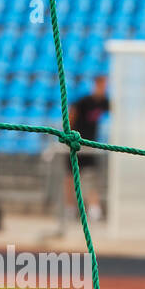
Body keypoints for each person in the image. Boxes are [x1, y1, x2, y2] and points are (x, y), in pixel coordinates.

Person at [63, 75, 110, 223]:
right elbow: (72, 113)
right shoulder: (84, 101)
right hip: (75, 145)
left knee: (90, 177)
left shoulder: (104, 102)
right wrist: (68, 135)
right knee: (70, 178)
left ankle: (93, 209)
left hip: (89, 146)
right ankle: (70, 209)